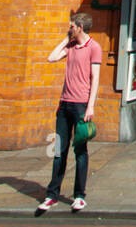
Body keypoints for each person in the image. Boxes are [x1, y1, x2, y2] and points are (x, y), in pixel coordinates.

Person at [37, 12, 101, 214]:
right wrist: (66, 38)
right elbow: (51, 57)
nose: (69, 27)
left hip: (81, 105)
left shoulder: (94, 48)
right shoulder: (71, 46)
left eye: (71, 26)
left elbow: (95, 78)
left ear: (80, 27)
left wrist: (90, 106)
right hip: (64, 105)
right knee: (59, 152)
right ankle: (51, 195)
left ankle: (79, 196)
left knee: (80, 152)